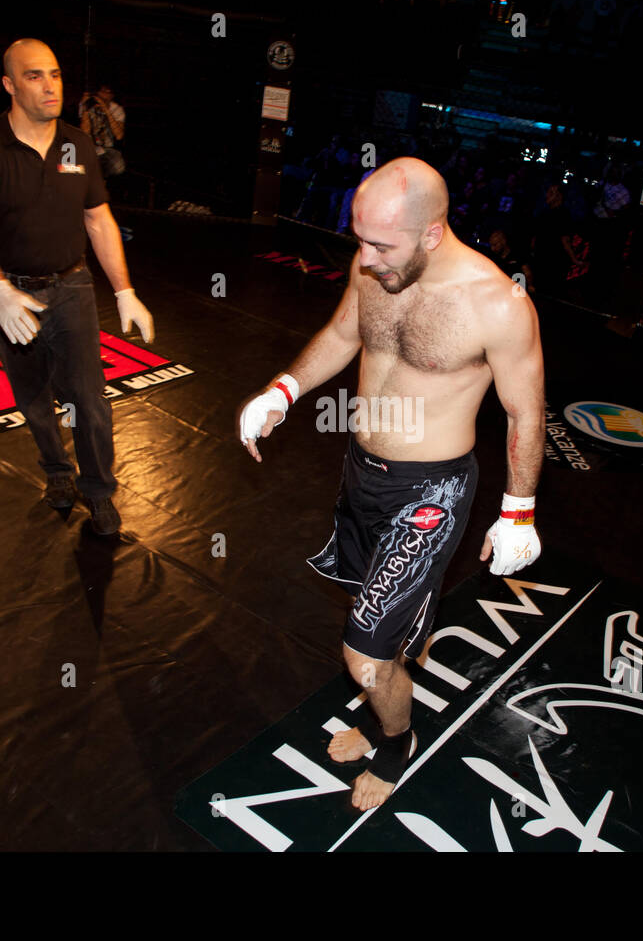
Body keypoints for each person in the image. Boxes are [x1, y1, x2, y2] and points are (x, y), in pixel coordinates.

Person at [238, 157, 545, 811]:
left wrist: (518, 511)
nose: (366, 258)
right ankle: (384, 697)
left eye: (382, 245)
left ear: (432, 234)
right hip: (361, 472)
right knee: (388, 624)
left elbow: (525, 411)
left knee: (366, 654)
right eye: (359, 240)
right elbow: (346, 332)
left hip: (431, 495)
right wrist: (282, 391)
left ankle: (396, 742)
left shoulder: (497, 302)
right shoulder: (373, 261)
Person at [0, 39, 154, 535]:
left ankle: (100, 493)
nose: (50, 86)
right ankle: (57, 473)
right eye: (34, 76)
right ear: (9, 85)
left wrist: (124, 290)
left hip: (72, 287)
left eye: (56, 75)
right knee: (34, 398)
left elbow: (99, 220)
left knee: (89, 398)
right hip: (12, 296)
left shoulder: (78, 143)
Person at [78, 84, 125, 179]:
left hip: (108, 149)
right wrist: (85, 108)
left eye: (106, 92)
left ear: (112, 95)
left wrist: (106, 110)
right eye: (101, 91)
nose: (102, 95)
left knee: (118, 166)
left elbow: (119, 135)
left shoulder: (117, 109)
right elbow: (84, 133)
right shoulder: (88, 106)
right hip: (90, 148)